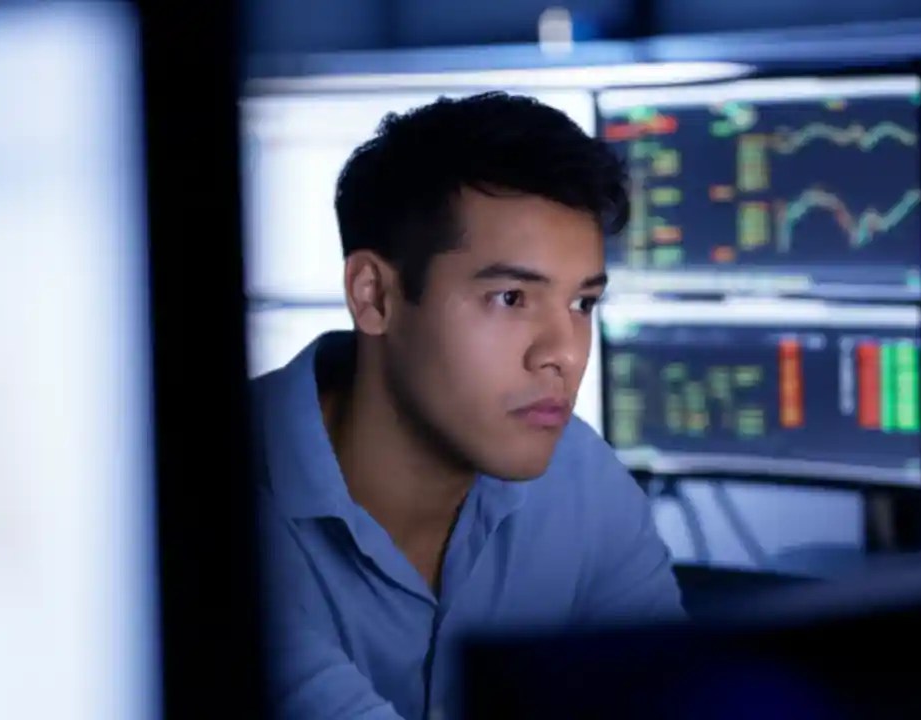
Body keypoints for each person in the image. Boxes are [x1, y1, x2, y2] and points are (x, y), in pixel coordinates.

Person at [253, 91, 685, 720]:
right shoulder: (202, 506)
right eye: (511, 298)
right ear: (375, 297)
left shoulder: (581, 479)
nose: (563, 353)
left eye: (582, 304)